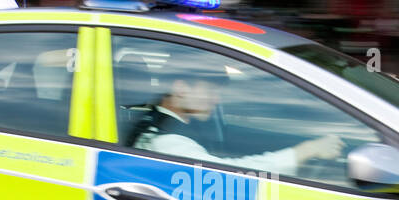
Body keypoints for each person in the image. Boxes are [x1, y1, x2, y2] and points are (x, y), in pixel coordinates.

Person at [126, 63, 342, 176]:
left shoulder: (163, 123)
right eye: (210, 91)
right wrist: (304, 151)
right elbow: (234, 176)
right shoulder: (166, 142)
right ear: (180, 88)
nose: (216, 99)